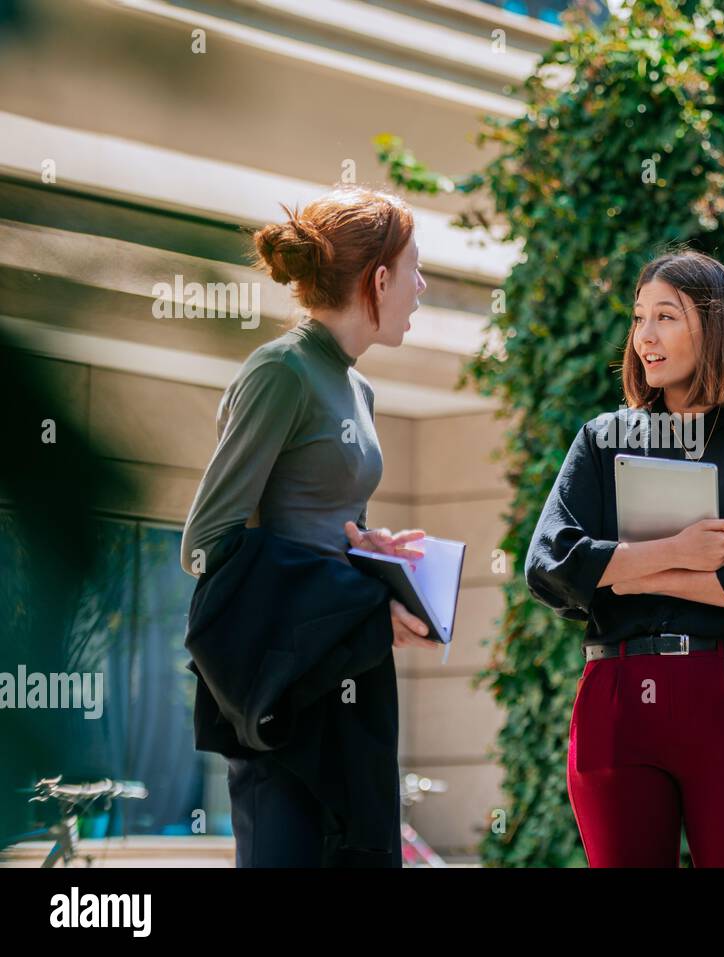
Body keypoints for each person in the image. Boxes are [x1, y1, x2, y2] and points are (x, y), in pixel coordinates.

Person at [525, 249, 724, 867]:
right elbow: (550, 565)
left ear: (714, 328)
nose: (645, 337)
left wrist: (628, 576)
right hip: (618, 695)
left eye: (666, 317)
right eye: (639, 318)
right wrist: (679, 555)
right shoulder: (604, 439)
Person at [180, 186, 437, 867]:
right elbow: (207, 544)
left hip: (351, 677)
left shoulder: (359, 389)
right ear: (378, 279)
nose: (422, 285)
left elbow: (316, 529)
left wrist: (370, 553)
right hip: (286, 690)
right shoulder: (280, 371)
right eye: (415, 269)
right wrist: (358, 605)